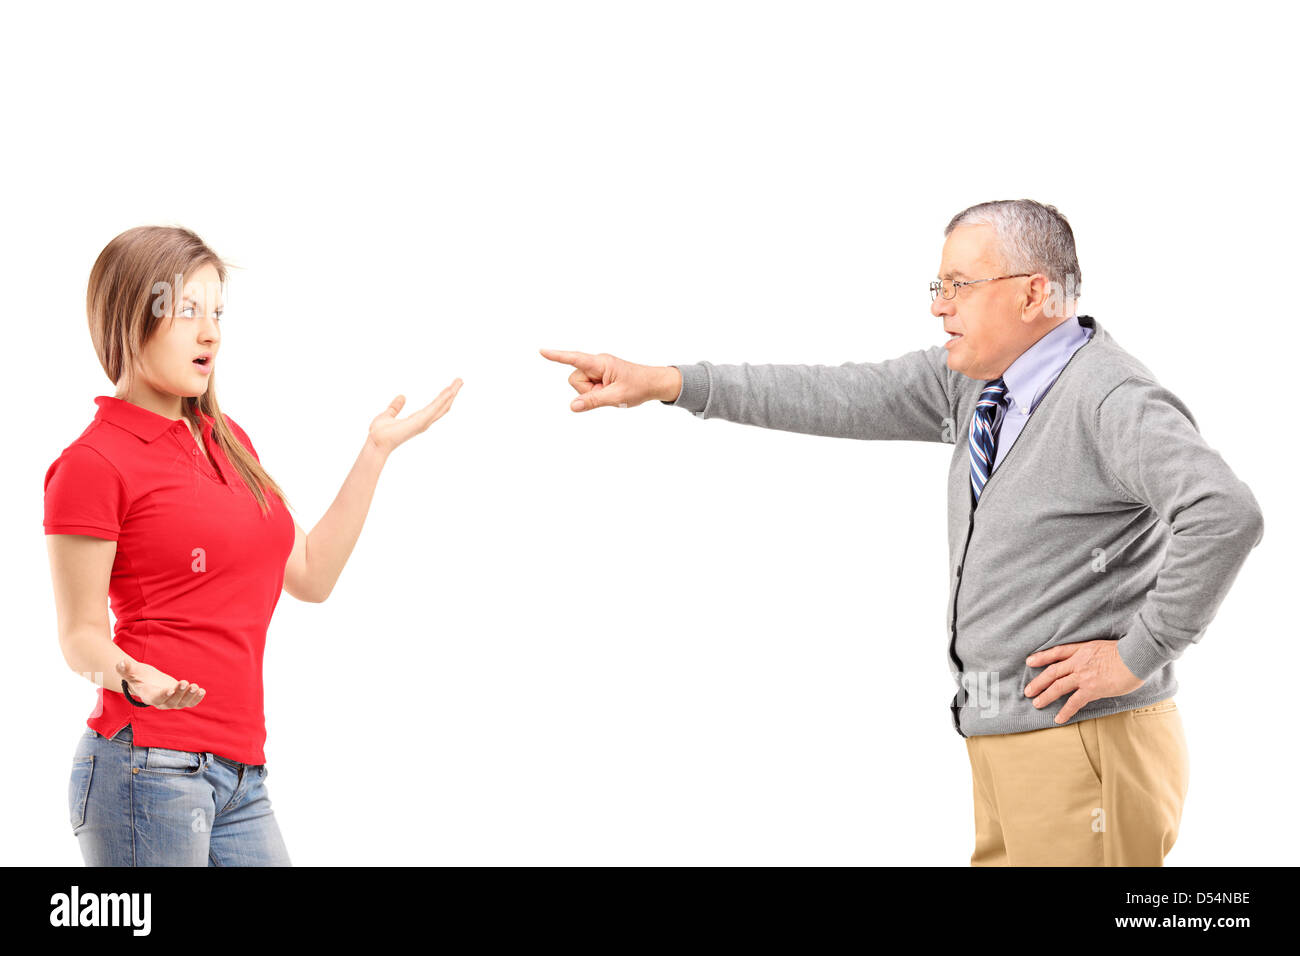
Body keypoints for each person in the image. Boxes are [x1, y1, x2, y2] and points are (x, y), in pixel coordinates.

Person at [540, 199, 1265, 866]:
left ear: (1034, 293)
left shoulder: (1106, 397)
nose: (939, 308)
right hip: (1004, 736)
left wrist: (1139, 653)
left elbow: (1224, 512)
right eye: (937, 287)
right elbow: (831, 395)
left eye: (959, 286)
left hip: (1082, 743)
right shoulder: (979, 381)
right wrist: (668, 381)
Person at [47, 225, 462, 866]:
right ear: (129, 316)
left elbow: (312, 574)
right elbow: (79, 638)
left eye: (217, 312)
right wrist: (135, 679)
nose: (211, 332)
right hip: (146, 766)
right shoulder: (93, 462)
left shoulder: (227, 439)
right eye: (187, 311)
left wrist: (375, 451)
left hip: (242, 773)